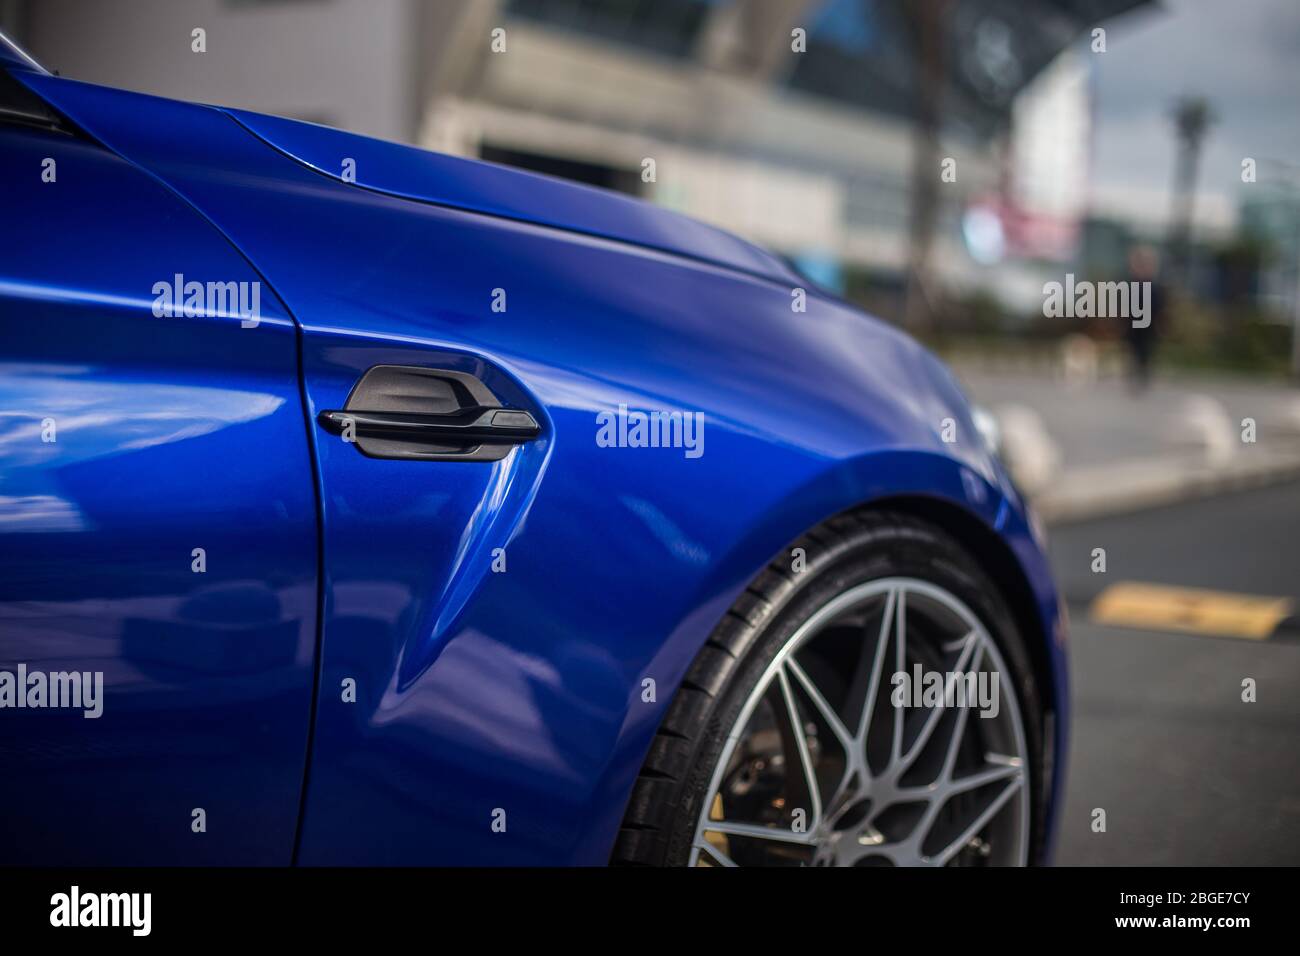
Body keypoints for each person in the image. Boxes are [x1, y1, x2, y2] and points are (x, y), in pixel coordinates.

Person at [1124, 245, 1167, 391]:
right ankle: (1136, 373)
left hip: (1148, 325)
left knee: (1145, 350)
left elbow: (1159, 306)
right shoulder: (1131, 285)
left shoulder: (1154, 287)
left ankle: (1143, 374)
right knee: (1135, 350)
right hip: (1134, 325)